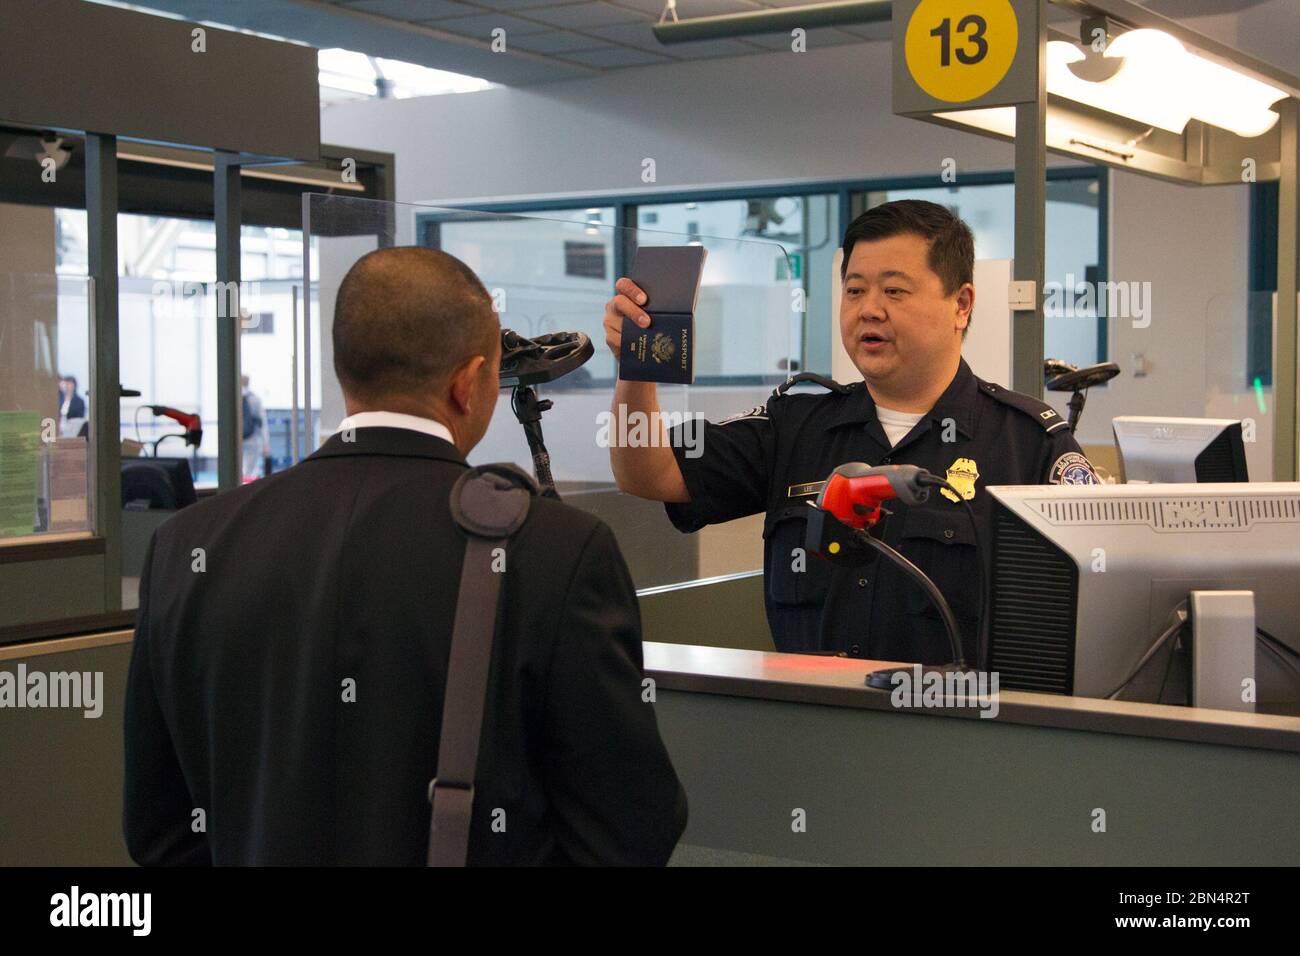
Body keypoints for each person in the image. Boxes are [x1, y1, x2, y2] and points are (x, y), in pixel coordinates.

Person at [124, 246, 687, 865]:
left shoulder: (189, 545)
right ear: (469, 383)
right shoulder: (559, 552)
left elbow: (161, 830)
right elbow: (629, 828)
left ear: (345, 369)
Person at [603, 199, 1098, 668]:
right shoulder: (796, 426)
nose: (869, 309)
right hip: (818, 730)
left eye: (895, 290)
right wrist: (638, 366)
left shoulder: (1028, 445)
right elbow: (648, 473)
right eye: (855, 290)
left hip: (957, 736)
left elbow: (1090, 608)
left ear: (961, 304)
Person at [240, 374, 269, 479]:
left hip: (236, 439)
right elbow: (263, 423)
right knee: (249, 471)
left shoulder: (232, 398)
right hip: (252, 439)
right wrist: (266, 443)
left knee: (236, 469)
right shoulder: (255, 399)